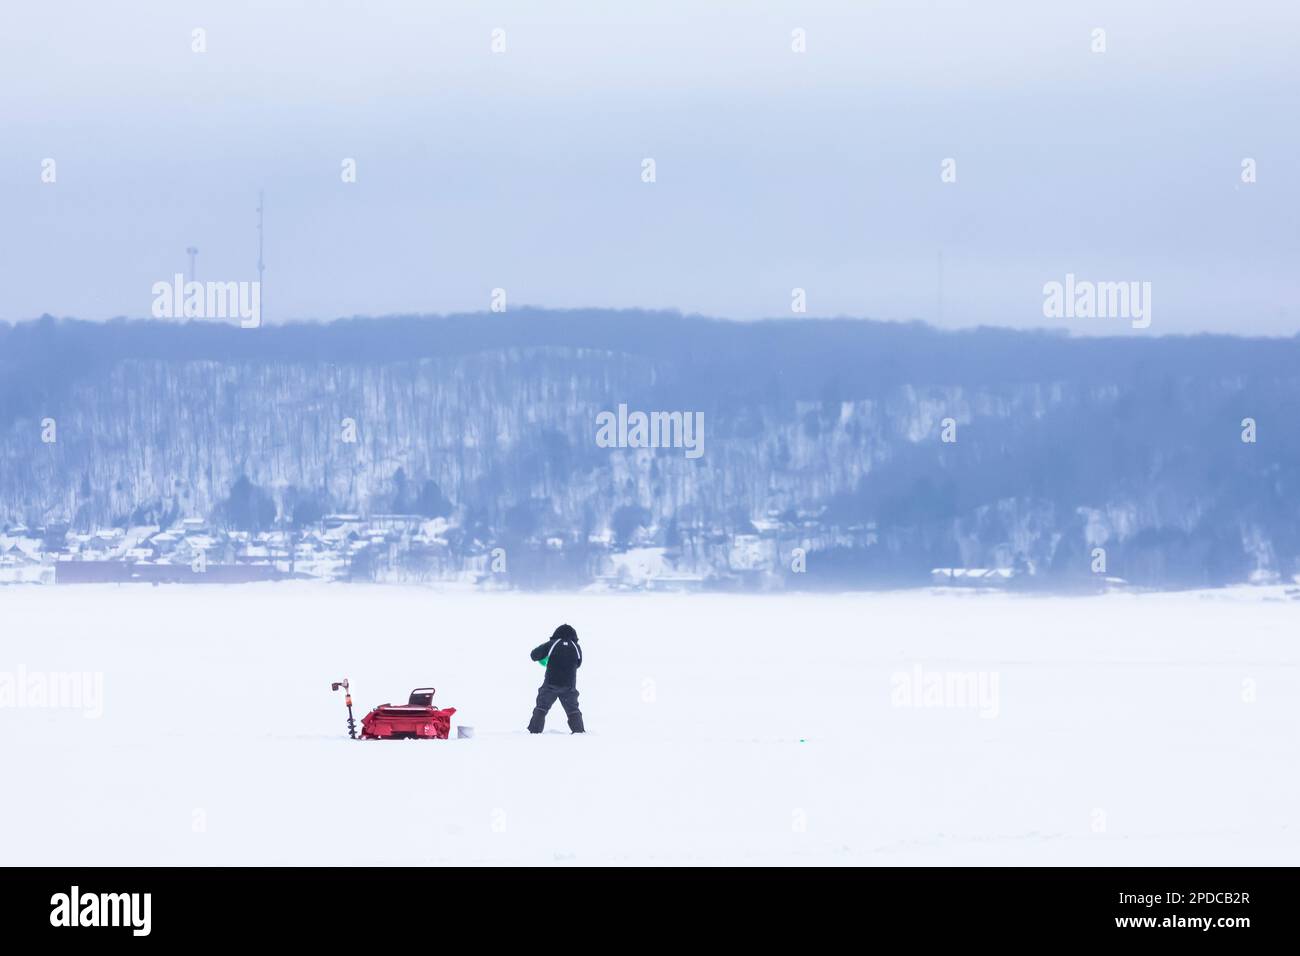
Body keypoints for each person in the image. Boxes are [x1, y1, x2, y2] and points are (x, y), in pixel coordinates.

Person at [527, 624, 585, 734]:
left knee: (541, 708)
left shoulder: (552, 644)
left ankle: (534, 732)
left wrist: (548, 658)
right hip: (569, 686)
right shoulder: (576, 647)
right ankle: (579, 732)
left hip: (550, 684)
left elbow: (533, 655)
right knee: (573, 710)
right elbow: (578, 663)